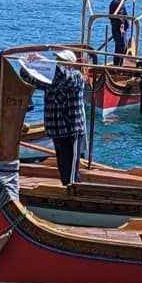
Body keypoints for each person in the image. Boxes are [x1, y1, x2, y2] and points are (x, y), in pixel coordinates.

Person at [21, 50, 87, 185]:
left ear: (69, 64)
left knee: (71, 173)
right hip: (57, 131)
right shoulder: (50, 80)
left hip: (71, 131)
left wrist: (44, 61)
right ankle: (68, 192)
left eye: (60, 60)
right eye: (56, 59)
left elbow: (63, 76)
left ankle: (74, 193)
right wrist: (26, 65)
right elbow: (31, 80)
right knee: (63, 169)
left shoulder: (76, 77)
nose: (57, 62)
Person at [109, 0, 131, 67]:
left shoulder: (116, 2)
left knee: (120, 47)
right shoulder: (119, 2)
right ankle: (118, 66)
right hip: (119, 29)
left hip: (117, 27)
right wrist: (122, 24)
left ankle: (118, 65)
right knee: (121, 47)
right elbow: (119, 15)